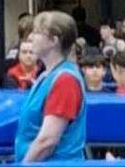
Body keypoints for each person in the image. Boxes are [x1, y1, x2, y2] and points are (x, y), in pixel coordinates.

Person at [14, 11, 86, 162]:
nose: (30, 37)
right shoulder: (47, 75)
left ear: (54, 40)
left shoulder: (65, 80)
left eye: (37, 32)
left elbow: (47, 141)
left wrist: (25, 164)